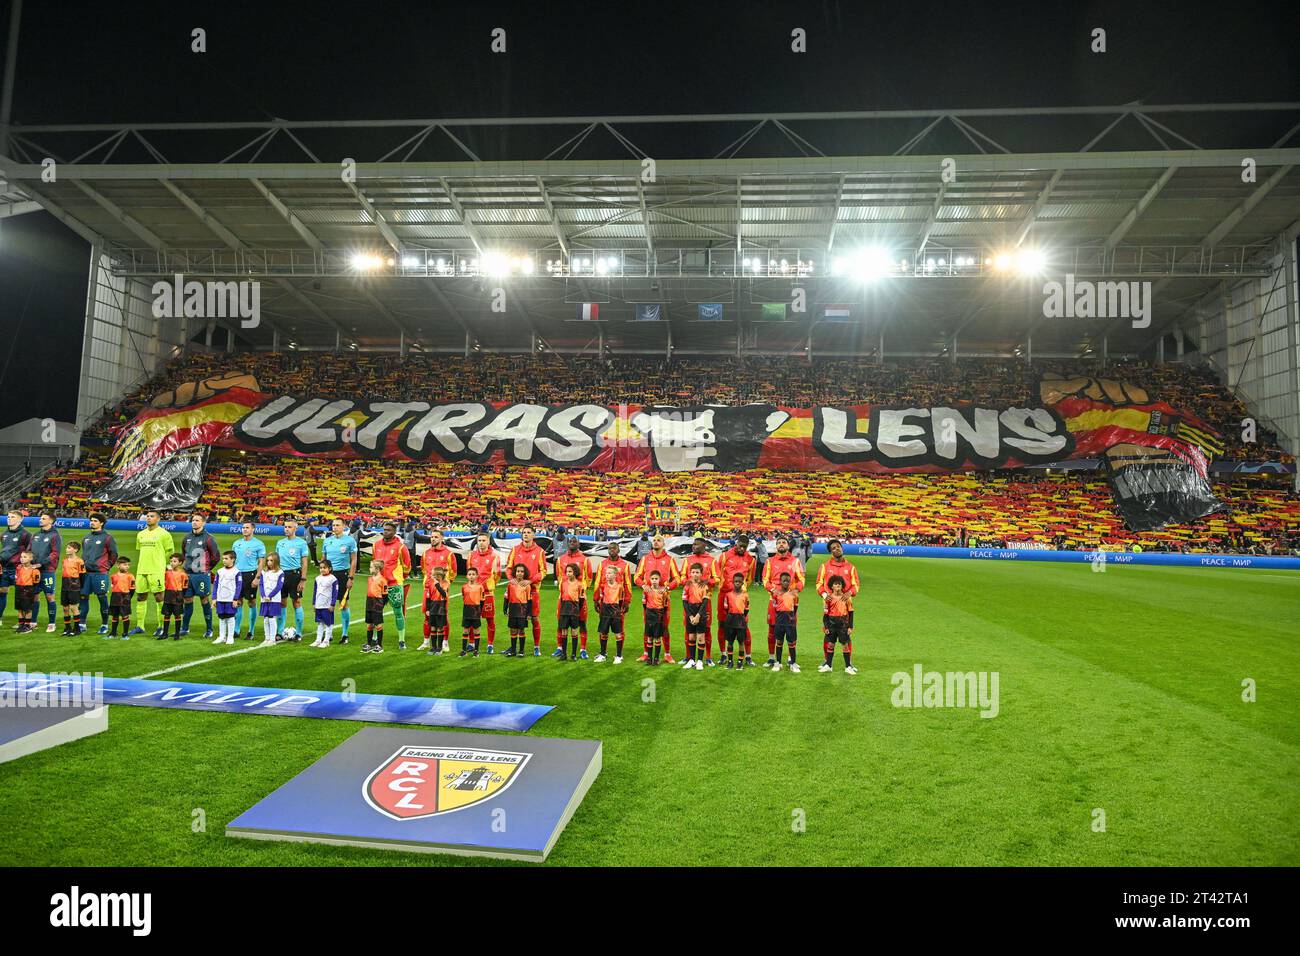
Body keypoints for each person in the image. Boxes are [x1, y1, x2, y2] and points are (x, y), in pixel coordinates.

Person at [634, 533, 680, 663]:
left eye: (658, 540)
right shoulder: (645, 559)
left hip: (663, 600)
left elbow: (677, 578)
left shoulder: (670, 559)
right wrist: (643, 585)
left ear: (663, 543)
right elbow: (636, 576)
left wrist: (668, 588)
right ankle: (646, 654)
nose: (655, 542)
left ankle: (667, 654)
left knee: (664, 626)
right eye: (653, 540)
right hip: (648, 600)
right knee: (647, 625)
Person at [762, 536, 805, 668]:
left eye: (784, 542)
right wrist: (774, 590)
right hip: (773, 601)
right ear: (776, 546)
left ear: (788, 546)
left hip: (789, 602)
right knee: (772, 629)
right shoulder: (770, 561)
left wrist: (796, 591)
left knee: (791, 629)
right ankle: (771, 658)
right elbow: (765, 580)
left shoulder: (795, 561)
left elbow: (801, 579)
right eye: (779, 543)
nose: (781, 544)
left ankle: (790, 658)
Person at [130, 510, 174, 637]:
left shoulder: (164, 534)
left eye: (152, 516)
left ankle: (161, 626)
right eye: (147, 516)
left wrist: (163, 565)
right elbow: (141, 551)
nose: (148, 518)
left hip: (156, 570)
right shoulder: (141, 534)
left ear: (158, 519)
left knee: (159, 597)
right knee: (140, 597)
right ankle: (140, 626)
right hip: (142, 569)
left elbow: (169, 552)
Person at [714, 534, 755, 666]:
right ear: (736, 544)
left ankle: (747, 656)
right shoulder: (725, 556)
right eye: (740, 545)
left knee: (744, 626)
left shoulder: (751, 559)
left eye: (744, 546)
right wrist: (723, 587)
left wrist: (742, 590)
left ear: (747, 546)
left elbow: (750, 578)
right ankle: (723, 655)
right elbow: (718, 573)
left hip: (740, 598)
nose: (741, 548)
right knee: (722, 624)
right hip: (724, 595)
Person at [506, 526, 547, 655]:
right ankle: (513, 647)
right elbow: (508, 568)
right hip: (515, 592)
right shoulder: (515, 550)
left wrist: (530, 581)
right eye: (524, 532)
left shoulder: (539, 551)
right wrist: (511, 579)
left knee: (534, 618)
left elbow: (543, 571)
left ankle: (536, 647)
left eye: (529, 532)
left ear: (533, 535)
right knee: (514, 620)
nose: (526, 534)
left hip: (532, 590)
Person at [372, 522, 412, 649]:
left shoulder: (401, 547)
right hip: (378, 585)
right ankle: (373, 638)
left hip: (394, 585)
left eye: (389, 530)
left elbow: (407, 566)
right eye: (384, 529)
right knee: (376, 612)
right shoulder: (376, 545)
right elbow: (374, 563)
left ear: (394, 532)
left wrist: (399, 579)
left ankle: (401, 640)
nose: (385, 532)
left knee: (398, 612)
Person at [180, 513, 220, 638]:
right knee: (187, 599)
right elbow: (184, 554)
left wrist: (206, 569)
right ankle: (185, 628)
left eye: (197, 520)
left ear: (203, 523)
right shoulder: (186, 538)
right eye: (193, 520)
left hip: (202, 575)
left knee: (204, 599)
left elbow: (216, 557)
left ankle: (209, 629)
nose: (194, 522)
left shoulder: (208, 538)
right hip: (188, 574)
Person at [679, 537, 718, 666]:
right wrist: (688, 583)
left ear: (704, 545)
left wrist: (705, 582)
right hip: (690, 601)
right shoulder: (687, 560)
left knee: (705, 629)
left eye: (697, 544)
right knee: (689, 628)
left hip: (705, 601)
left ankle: (708, 657)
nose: (694, 546)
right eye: (693, 544)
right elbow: (682, 577)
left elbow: (717, 579)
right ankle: (688, 656)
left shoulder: (711, 560)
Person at [78, 514, 118, 635]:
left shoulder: (107, 538)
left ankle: (104, 624)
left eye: (95, 521)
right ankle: (82, 623)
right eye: (91, 520)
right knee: (83, 597)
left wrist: (106, 566)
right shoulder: (86, 538)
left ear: (101, 523)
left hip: (100, 574)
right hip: (86, 574)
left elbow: (114, 554)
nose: (92, 522)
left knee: (102, 598)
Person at [815, 539, 860, 645]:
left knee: (846, 634)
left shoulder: (851, 567)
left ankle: (848, 662)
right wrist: (824, 594)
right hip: (829, 603)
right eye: (833, 548)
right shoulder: (824, 566)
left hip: (845, 604)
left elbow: (856, 584)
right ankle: (827, 661)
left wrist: (850, 592)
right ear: (831, 552)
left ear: (842, 548)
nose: (837, 549)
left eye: (838, 546)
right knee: (829, 634)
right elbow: (818, 584)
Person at [552, 536, 590, 659]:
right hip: (564, 598)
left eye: (575, 541)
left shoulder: (584, 559)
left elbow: (589, 578)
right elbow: (559, 576)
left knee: (582, 623)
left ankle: (583, 649)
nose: (572, 543)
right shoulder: (561, 559)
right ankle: (560, 648)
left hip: (578, 597)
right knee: (561, 623)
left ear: (579, 543)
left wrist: (580, 590)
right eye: (570, 541)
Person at [419, 530, 457, 652]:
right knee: (427, 614)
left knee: (443, 616)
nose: (433, 539)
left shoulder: (449, 554)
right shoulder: (426, 553)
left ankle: (445, 642)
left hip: (441, 591)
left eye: (436, 537)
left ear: (442, 539)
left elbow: (453, 572)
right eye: (432, 537)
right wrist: (429, 584)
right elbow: (425, 570)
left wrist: (444, 584)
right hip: (428, 589)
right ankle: (426, 641)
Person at [322, 519, 358, 644]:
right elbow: (324, 560)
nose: (335, 527)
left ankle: (345, 634)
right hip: (328, 575)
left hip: (342, 575)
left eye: (338, 525)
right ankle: (329, 633)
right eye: (333, 525)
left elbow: (353, 560)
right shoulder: (327, 540)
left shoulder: (350, 541)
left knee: (343, 604)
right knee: (327, 604)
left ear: (344, 526)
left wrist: (351, 577)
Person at [275, 519, 311, 639]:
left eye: (289, 527)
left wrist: (303, 579)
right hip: (281, 576)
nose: (287, 529)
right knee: (282, 603)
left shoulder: (301, 543)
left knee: (296, 602)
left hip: (295, 576)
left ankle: (299, 633)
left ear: (295, 528)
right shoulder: (280, 543)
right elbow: (277, 561)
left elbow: (304, 563)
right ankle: (279, 632)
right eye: (285, 527)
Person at [466, 532, 501, 653]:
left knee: (489, 619)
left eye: (483, 540)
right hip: (473, 593)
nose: (481, 543)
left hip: (487, 594)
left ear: (489, 542)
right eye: (479, 540)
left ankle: (490, 644)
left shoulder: (494, 556)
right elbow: (469, 572)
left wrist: (489, 586)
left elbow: (497, 575)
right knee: (471, 618)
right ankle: (471, 643)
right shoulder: (472, 556)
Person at [231, 521, 265, 641]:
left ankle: (251, 630)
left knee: (251, 602)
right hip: (237, 574)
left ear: (253, 530)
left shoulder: (258, 544)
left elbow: (261, 561)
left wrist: (257, 577)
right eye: (243, 528)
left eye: (247, 528)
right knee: (238, 601)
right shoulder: (236, 543)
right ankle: (236, 629)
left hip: (250, 575)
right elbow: (232, 560)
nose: (244, 529)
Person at [30, 512, 63, 633]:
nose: (40, 520)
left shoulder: (55, 536)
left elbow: (55, 554)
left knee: (49, 596)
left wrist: (41, 563)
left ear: (51, 521)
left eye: (43, 518)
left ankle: (52, 623)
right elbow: (29, 550)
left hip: (47, 570)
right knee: (34, 596)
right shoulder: (36, 535)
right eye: (40, 518)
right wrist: (28, 561)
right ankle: (33, 622)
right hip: (34, 570)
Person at [0, 511, 34, 628]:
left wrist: (26, 566)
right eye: (8, 517)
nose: (9, 519)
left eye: (12, 517)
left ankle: (25, 621)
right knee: (2, 592)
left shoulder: (25, 534)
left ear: (20, 520)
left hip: (18, 569)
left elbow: (29, 552)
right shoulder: (4, 533)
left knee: (22, 594)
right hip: (4, 568)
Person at [820, 575, 857, 674]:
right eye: (835, 584)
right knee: (831, 645)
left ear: (842, 585)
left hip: (843, 624)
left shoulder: (846, 598)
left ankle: (848, 666)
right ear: (831, 586)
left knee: (845, 645)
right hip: (831, 624)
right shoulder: (828, 598)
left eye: (839, 584)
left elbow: (851, 612)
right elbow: (825, 614)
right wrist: (826, 626)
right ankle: (828, 665)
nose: (838, 585)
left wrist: (850, 626)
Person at [594, 564, 629, 664]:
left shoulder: (620, 587)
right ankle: (603, 654)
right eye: (606, 573)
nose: (607, 575)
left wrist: (618, 610)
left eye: (610, 573)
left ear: (615, 575)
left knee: (618, 634)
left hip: (615, 612)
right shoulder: (602, 586)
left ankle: (618, 656)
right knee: (603, 633)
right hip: (605, 611)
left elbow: (621, 601)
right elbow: (601, 599)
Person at [681, 563, 710, 670]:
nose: (695, 574)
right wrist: (690, 616)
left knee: (701, 637)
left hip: (700, 613)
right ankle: (692, 660)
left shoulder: (704, 586)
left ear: (701, 574)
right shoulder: (687, 585)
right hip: (690, 612)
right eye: (693, 572)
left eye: (697, 572)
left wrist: (698, 616)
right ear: (690, 573)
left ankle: (700, 661)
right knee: (691, 637)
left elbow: (705, 602)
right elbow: (684, 602)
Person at [770, 571, 800, 672]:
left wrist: (791, 616)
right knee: (779, 642)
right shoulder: (776, 594)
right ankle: (778, 663)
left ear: (790, 582)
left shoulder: (794, 594)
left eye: (788, 581)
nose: (786, 583)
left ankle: (793, 663)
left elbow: (795, 608)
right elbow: (775, 608)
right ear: (780, 582)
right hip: (779, 622)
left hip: (790, 622)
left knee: (791, 643)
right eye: (784, 581)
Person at [212, 550, 243, 645]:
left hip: (230, 599)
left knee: (230, 617)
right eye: (223, 559)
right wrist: (214, 598)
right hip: (220, 599)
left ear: (233, 559)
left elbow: (239, 586)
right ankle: (222, 636)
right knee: (221, 617)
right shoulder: (219, 571)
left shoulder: (237, 572)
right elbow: (215, 585)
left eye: (226, 558)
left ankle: (230, 637)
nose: (224, 560)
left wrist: (235, 599)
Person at [720, 572, 750, 669]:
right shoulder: (728, 595)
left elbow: (746, 609)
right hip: (730, 620)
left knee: (741, 642)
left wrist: (741, 617)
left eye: (740, 582)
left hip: (741, 621)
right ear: (733, 582)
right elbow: (725, 608)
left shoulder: (745, 595)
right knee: (730, 641)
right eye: (736, 581)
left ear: (742, 583)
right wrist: (731, 615)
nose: (737, 583)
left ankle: (740, 662)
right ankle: (730, 661)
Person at [504, 564, 534, 658]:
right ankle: (513, 651)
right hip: (513, 609)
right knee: (513, 630)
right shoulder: (510, 584)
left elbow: (529, 601)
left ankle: (521, 651)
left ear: (524, 573)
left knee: (521, 630)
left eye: (522, 572)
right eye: (518, 571)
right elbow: (506, 598)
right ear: (515, 573)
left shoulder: (527, 586)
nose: (519, 573)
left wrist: (529, 613)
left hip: (522, 610)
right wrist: (505, 609)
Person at [557, 563, 584, 661]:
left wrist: (576, 609)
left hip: (574, 612)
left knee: (574, 631)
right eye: (567, 571)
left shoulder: (579, 585)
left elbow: (581, 600)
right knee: (564, 631)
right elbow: (561, 598)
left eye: (570, 571)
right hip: (564, 611)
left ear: (575, 572)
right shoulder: (563, 583)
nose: (568, 573)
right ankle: (563, 654)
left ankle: (573, 654)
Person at [309, 559, 339, 648]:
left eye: (324, 568)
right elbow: (315, 591)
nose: (322, 569)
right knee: (320, 623)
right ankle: (318, 640)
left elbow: (335, 592)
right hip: (319, 605)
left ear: (329, 568)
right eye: (321, 568)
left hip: (327, 605)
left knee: (328, 623)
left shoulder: (333, 579)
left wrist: (332, 604)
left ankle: (326, 641)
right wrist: (314, 603)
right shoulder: (317, 578)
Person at [642, 569, 669, 666]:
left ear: (659, 579)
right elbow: (644, 604)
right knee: (649, 637)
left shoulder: (663, 591)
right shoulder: (646, 590)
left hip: (659, 615)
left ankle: (656, 658)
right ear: (649, 579)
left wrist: (661, 614)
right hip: (649, 614)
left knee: (657, 638)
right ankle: (649, 658)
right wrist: (649, 611)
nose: (654, 580)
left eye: (656, 579)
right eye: (652, 578)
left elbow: (665, 605)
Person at [59, 541, 86, 636]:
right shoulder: (64, 561)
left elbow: (82, 575)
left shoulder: (79, 561)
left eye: (69, 548)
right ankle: (67, 628)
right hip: (65, 586)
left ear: (75, 550)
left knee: (73, 607)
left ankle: (77, 629)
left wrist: (81, 588)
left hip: (74, 586)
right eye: (67, 547)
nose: (67, 549)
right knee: (65, 608)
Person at [362, 559, 388, 654]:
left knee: (378, 624)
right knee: (369, 624)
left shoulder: (382, 580)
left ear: (377, 569)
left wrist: (381, 605)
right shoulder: (369, 579)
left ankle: (379, 645)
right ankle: (369, 644)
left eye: (371, 567)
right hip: (369, 603)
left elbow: (385, 595)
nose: (369, 568)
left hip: (377, 604)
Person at [258, 553, 285, 646]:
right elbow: (261, 584)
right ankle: (267, 638)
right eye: (268, 560)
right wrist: (263, 595)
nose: (269, 562)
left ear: (276, 561)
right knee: (265, 619)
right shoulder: (263, 572)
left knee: (272, 618)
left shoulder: (280, 572)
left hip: (274, 599)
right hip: (264, 599)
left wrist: (270, 596)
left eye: (271, 560)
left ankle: (272, 639)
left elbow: (279, 586)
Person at [423, 566, 450, 656]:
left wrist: (437, 584)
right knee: (433, 627)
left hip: (441, 607)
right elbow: (428, 597)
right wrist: (427, 609)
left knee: (440, 628)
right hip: (433, 607)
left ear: (438, 576)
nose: (432, 576)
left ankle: (439, 648)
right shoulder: (431, 584)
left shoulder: (445, 583)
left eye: (433, 575)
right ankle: (433, 647)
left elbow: (444, 594)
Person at [459, 566, 485, 657]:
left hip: (476, 612)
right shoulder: (464, 587)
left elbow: (482, 601)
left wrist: (479, 612)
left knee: (476, 631)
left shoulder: (480, 587)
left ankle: (476, 651)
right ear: (467, 576)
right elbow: (463, 598)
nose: (471, 576)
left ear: (477, 576)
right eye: (469, 574)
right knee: (465, 631)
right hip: (466, 611)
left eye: (473, 574)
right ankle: (463, 650)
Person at [108, 556, 135, 640]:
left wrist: (128, 598)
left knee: (125, 616)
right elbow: (113, 586)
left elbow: (132, 590)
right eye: (124, 565)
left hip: (125, 597)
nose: (127, 566)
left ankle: (125, 634)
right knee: (114, 616)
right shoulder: (113, 576)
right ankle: (113, 633)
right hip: (115, 597)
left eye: (128, 565)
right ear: (118, 565)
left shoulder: (130, 576)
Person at [14, 551, 40, 633]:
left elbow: (36, 582)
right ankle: (21, 625)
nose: (22, 558)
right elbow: (16, 578)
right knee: (20, 608)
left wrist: (30, 590)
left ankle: (27, 626)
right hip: (19, 589)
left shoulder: (34, 570)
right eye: (21, 557)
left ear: (31, 558)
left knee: (28, 609)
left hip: (28, 590)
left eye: (25, 557)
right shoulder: (18, 568)